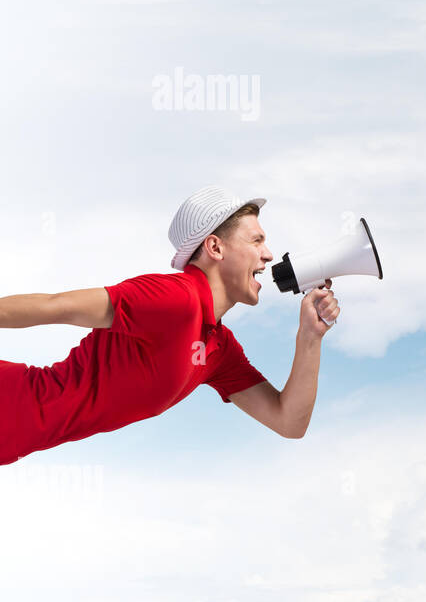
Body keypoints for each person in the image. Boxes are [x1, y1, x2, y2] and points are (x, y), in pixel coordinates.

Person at [0, 186, 341, 466]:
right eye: (256, 241)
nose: (268, 255)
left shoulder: (217, 349)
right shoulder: (175, 298)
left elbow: (288, 422)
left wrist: (309, 336)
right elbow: (55, 306)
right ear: (215, 247)